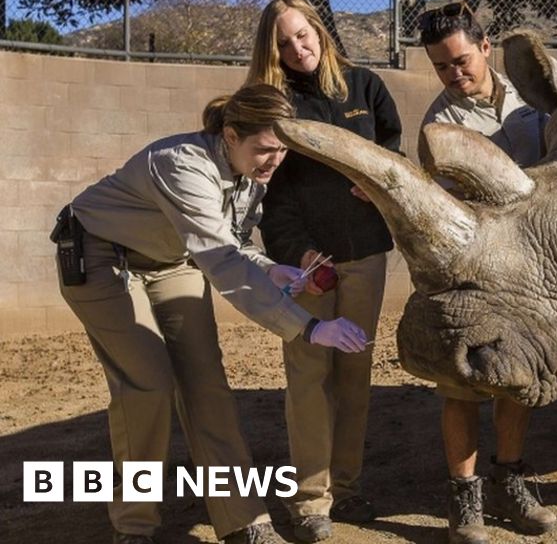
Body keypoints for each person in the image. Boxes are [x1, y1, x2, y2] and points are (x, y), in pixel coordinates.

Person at [53, 84, 368, 544]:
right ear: (230, 135)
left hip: (171, 262)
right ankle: (134, 526)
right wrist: (310, 328)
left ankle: (244, 522)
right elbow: (221, 260)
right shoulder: (181, 164)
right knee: (149, 383)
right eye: (264, 149)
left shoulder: (248, 172)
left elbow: (234, 244)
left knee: (207, 386)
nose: (274, 161)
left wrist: (271, 269)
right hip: (103, 257)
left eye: (281, 150)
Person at [418, 2, 557, 544]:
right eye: (441, 67)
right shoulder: (440, 125)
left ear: (485, 48)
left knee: (516, 377)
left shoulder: (532, 100)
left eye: (461, 60)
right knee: (462, 385)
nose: (453, 74)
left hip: (533, 267)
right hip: (474, 270)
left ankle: (510, 481)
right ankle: (464, 499)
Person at [245, 0, 402, 543]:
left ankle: (348, 487)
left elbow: (394, 150)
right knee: (309, 377)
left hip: (366, 257)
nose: (297, 48)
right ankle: (310, 501)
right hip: (309, 264)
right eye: (284, 42)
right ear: (274, 51)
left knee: (354, 375)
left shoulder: (366, 88)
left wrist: (380, 182)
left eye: (303, 35)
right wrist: (301, 254)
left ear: (320, 31)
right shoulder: (274, 105)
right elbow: (273, 197)